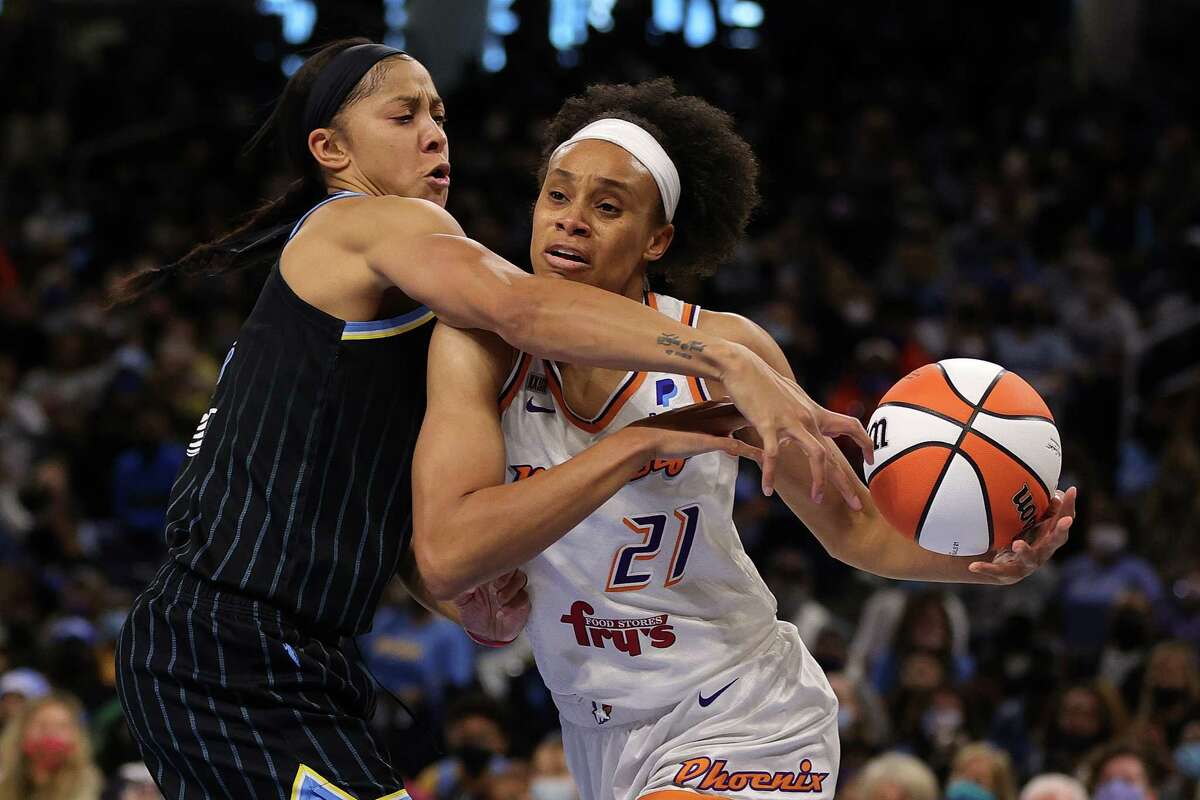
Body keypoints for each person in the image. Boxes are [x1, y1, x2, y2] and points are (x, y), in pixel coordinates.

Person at [110, 39, 867, 799]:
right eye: (403, 115)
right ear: (330, 150)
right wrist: (726, 361)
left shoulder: (419, 302)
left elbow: (385, 514)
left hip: (296, 653)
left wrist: (463, 595)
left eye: (439, 113)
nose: (436, 133)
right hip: (224, 645)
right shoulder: (361, 224)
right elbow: (522, 307)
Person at [410, 79, 1077, 799]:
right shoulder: (479, 348)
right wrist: (466, 602)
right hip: (595, 732)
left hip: (746, 711)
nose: (572, 221)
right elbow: (440, 555)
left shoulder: (726, 349)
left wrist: (987, 559)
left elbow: (853, 529)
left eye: (608, 207)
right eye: (558, 195)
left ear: (658, 239)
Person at [0, 692, 103, 800]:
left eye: (61, 726)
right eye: (42, 725)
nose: (51, 733)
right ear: (21, 730)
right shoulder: (4, 776)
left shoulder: (90, 783)